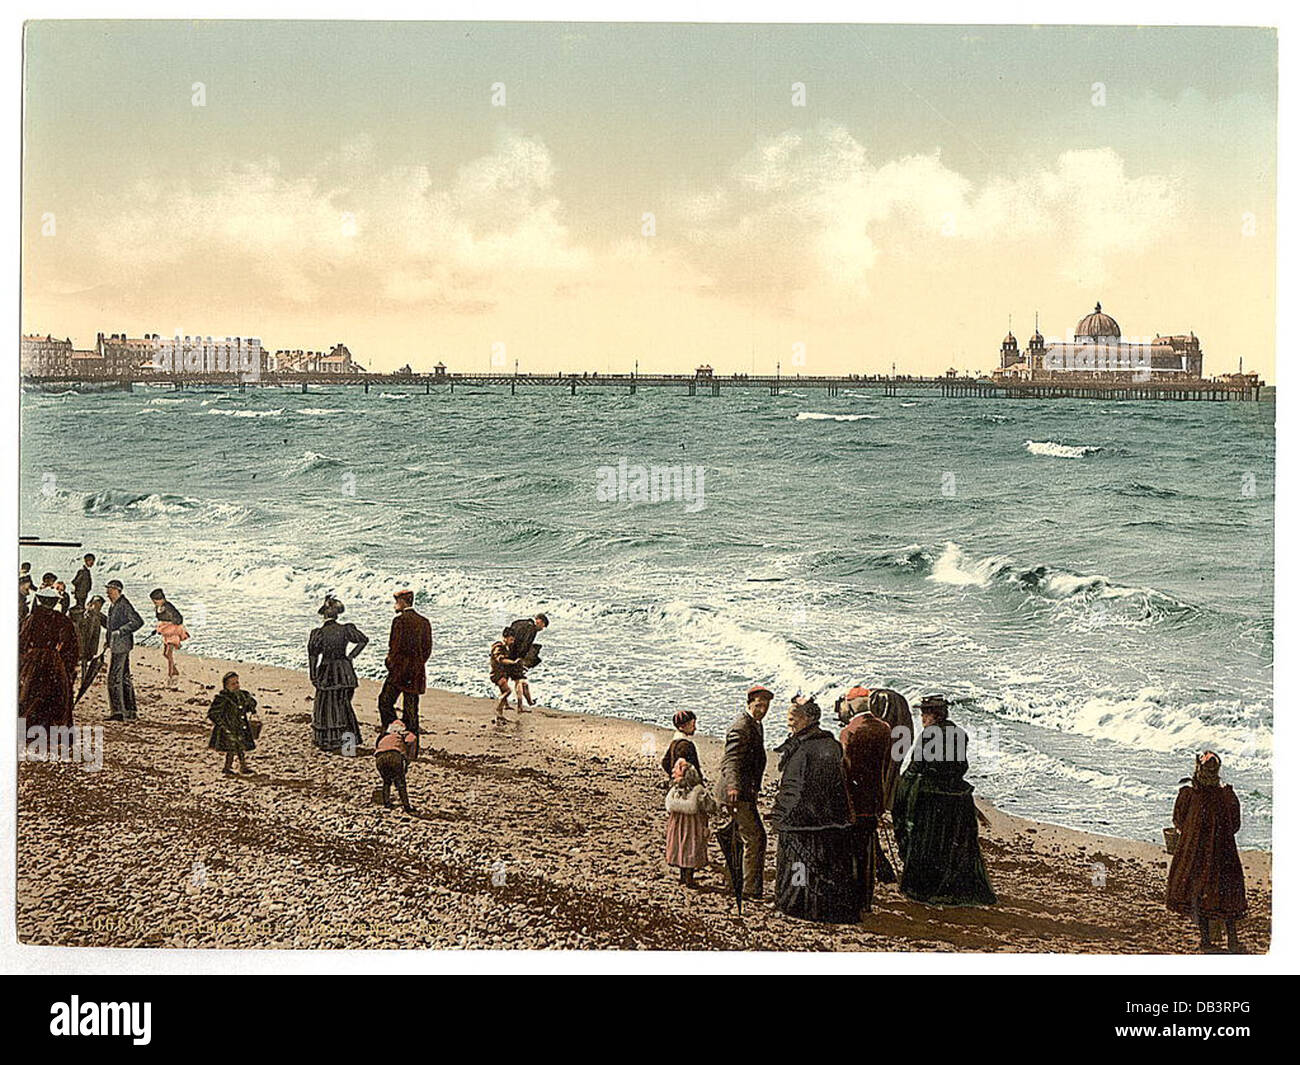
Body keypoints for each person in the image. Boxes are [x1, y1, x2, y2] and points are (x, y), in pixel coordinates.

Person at [892, 695, 997, 906]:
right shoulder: (960, 733)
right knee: (953, 846)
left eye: (924, 713)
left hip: (932, 796)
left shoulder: (929, 734)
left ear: (932, 715)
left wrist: (902, 787)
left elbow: (917, 765)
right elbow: (961, 767)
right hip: (957, 797)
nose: (922, 718)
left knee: (927, 841)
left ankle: (924, 887)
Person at [771, 695, 861, 923]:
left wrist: (781, 816)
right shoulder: (831, 744)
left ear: (809, 719)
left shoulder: (802, 749)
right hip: (830, 821)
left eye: (793, 718)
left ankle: (797, 906)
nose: (789, 722)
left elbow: (795, 789)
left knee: (800, 867)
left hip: (803, 822)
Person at [1166, 750, 1248, 952]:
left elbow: (1178, 821)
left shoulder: (1189, 795)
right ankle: (1232, 941)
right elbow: (1235, 825)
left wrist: (1193, 833)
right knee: (1227, 894)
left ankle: (1206, 941)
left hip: (1196, 853)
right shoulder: (1227, 796)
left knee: (1198, 893)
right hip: (1224, 854)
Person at [838, 688, 896, 912]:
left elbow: (846, 769)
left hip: (855, 801)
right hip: (875, 798)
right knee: (869, 850)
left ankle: (855, 899)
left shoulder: (849, 732)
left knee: (854, 851)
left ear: (852, 705)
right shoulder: (884, 728)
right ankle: (866, 899)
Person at [715, 684, 771, 899]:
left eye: (766, 706)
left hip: (743, 789)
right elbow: (730, 760)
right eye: (759, 705)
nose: (762, 709)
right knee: (755, 837)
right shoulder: (741, 726)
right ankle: (749, 889)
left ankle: (733, 880)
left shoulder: (755, 724)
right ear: (749, 704)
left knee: (739, 835)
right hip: (736, 792)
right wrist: (733, 787)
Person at [307, 595, 369, 752]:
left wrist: (313, 675)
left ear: (324, 615)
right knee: (344, 707)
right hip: (344, 671)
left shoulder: (318, 633)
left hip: (327, 671)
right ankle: (348, 746)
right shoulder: (345, 629)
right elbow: (363, 640)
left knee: (326, 708)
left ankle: (329, 744)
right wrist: (351, 656)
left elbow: (313, 655)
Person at [18, 586, 80, 731]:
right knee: (56, 694)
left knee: (30, 693)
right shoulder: (63, 620)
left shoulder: (32, 619)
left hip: (33, 660)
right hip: (54, 662)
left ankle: (29, 730)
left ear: (39, 600)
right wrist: (68, 667)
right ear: (55, 602)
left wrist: (23, 660)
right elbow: (72, 647)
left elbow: (21, 641)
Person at [379, 590, 432, 753]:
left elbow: (393, 647)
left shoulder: (399, 621)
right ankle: (412, 749)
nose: (395, 603)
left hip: (399, 671)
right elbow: (427, 649)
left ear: (403, 602)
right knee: (411, 710)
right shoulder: (424, 621)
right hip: (416, 671)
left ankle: (393, 732)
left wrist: (390, 664)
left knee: (384, 702)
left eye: (397, 600)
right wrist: (418, 664)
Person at [665, 757, 718, 887]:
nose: (673, 771)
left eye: (677, 769)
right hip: (685, 824)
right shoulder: (679, 788)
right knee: (684, 847)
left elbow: (703, 806)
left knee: (688, 847)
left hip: (689, 824)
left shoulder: (696, 791)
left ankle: (687, 877)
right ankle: (685, 877)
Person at [104, 580, 143, 721]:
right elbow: (110, 627)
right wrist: (107, 641)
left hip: (122, 646)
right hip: (118, 645)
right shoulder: (113, 606)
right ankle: (130, 711)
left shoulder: (124, 605)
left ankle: (118, 712)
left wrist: (121, 631)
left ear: (117, 590)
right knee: (125, 678)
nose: (107, 593)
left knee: (114, 678)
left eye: (110, 590)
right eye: (107, 590)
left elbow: (138, 621)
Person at [207, 671, 258, 775]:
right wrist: (221, 724)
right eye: (233, 684)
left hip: (240, 726)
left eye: (237, 682)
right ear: (226, 686)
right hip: (228, 727)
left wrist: (250, 705)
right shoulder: (222, 698)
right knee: (231, 748)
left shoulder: (242, 695)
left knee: (240, 747)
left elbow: (250, 705)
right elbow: (213, 713)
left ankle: (243, 766)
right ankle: (227, 767)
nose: (236, 686)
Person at [506, 612, 549, 707]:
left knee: (506, 680)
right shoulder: (532, 630)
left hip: (507, 652)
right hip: (515, 657)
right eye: (543, 626)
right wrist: (520, 658)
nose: (542, 629)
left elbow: (510, 629)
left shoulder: (520, 622)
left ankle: (527, 702)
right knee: (520, 681)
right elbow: (525, 645)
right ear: (540, 621)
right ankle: (521, 705)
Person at [374, 718, 417, 812]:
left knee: (386, 781)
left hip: (379, 757)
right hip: (394, 755)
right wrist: (409, 756)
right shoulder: (403, 734)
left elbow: (377, 745)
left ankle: (387, 803)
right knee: (401, 782)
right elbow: (412, 739)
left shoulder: (384, 736)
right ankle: (406, 806)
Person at [149, 588, 189, 688]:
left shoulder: (168, 607)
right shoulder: (159, 607)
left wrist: (169, 624)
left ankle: (171, 676)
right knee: (165, 654)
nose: (154, 603)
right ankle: (175, 671)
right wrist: (159, 629)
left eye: (155, 601)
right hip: (166, 632)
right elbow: (161, 620)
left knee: (168, 654)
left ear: (161, 599)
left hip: (173, 631)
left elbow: (179, 619)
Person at [489, 628, 521, 724]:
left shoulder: (506, 647)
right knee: (507, 691)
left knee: (504, 691)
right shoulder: (498, 646)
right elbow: (500, 659)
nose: (512, 642)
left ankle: (500, 714)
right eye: (511, 639)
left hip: (502, 673)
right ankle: (498, 709)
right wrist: (513, 663)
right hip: (497, 673)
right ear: (505, 638)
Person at [75, 595, 107, 689]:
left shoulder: (100, 616)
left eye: (99, 605)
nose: (97, 607)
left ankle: (84, 679)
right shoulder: (83, 614)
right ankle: (83, 678)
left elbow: (109, 625)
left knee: (88, 658)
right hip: (83, 641)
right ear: (90, 603)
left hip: (92, 643)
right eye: (95, 604)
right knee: (83, 660)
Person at [662, 710, 702, 778]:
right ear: (682, 727)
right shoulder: (686, 745)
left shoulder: (674, 742)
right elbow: (693, 765)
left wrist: (672, 774)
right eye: (692, 725)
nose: (695, 728)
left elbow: (665, 763)